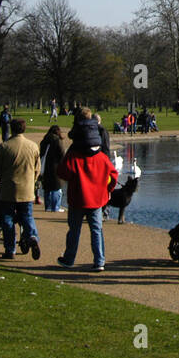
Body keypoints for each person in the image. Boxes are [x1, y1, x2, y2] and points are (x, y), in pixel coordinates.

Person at [56, 107, 118, 271]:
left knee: (74, 231)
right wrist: (108, 190)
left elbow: (62, 172)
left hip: (77, 197)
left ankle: (69, 259)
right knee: (96, 231)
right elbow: (114, 175)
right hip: (97, 198)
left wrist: (73, 179)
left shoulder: (74, 156)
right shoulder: (102, 158)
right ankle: (100, 260)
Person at [0, 118, 41, 260]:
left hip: (8, 188)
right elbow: (37, 169)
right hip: (27, 188)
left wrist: (1, 181)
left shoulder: (4, 147)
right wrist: (32, 181)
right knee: (27, 215)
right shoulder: (33, 146)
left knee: (7, 219)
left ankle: (10, 249)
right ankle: (32, 235)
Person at [39, 125, 66, 212]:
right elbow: (62, 154)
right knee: (56, 188)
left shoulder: (44, 141)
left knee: (47, 188)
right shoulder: (57, 141)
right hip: (55, 167)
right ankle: (56, 207)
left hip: (45, 166)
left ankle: (48, 207)